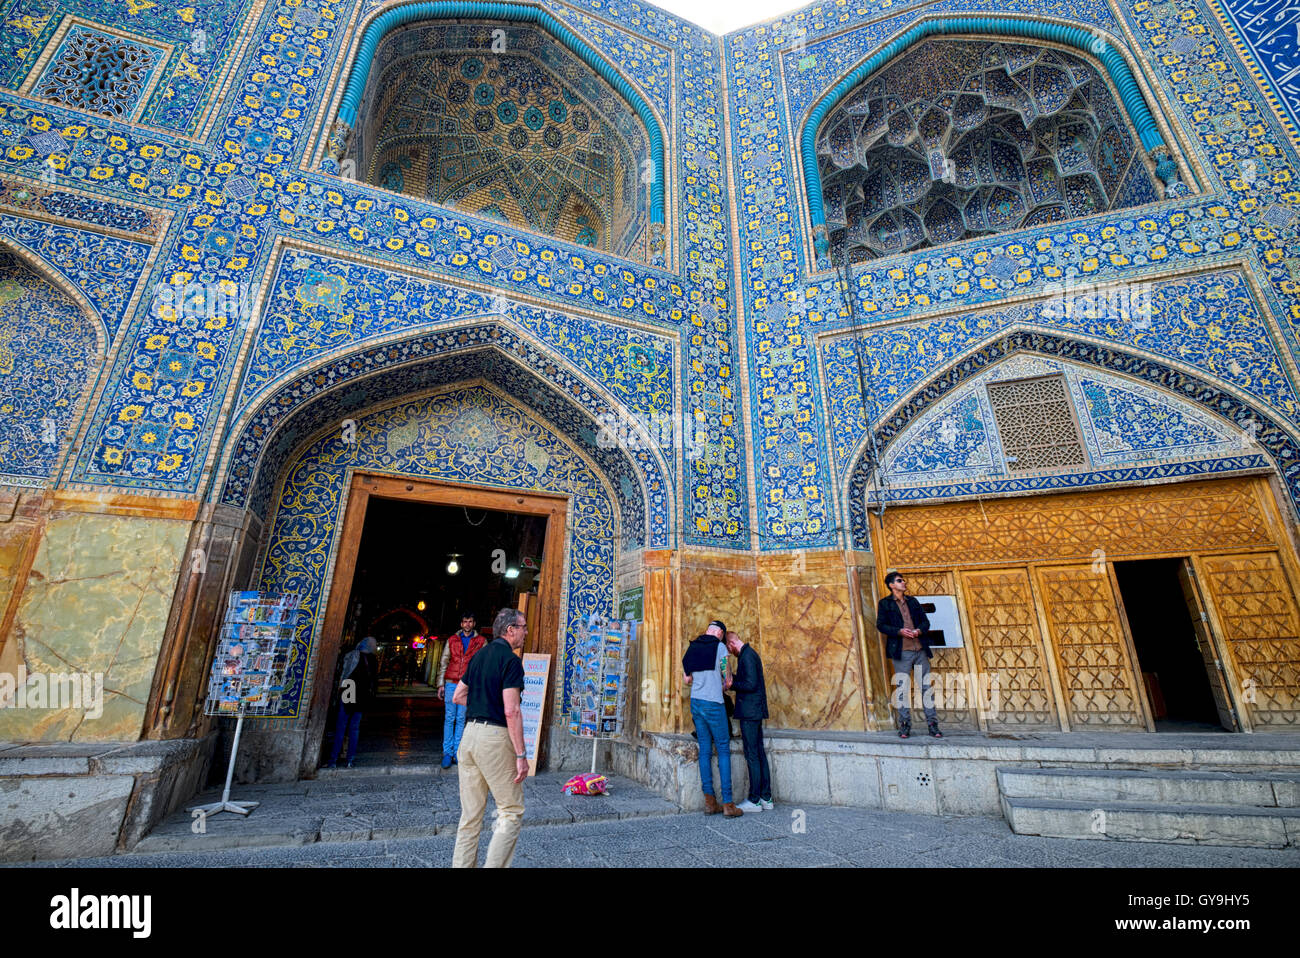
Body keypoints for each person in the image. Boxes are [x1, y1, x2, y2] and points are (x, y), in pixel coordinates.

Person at [451, 608, 529, 868]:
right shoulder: (510, 661)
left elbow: (458, 696)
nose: (525, 632)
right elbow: (512, 710)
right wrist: (521, 754)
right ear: (510, 630)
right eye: (523, 627)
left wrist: (481, 703)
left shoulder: (478, 656)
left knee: (470, 817)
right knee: (511, 811)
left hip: (469, 736)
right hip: (494, 738)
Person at [683, 619, 742, 817]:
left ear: (708, 630)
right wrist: (726, 681)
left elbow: (687, 679)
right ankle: (728, 804)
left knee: (705, 751)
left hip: (696, 703)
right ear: (720, 634)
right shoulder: (719, 647)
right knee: (723, 750)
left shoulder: (693, 647)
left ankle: (709, 802)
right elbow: (727, 678)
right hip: (714, 703)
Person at [876, 570, 942, 739]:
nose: (903, 583)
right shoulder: (885, 604)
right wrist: (899, 631)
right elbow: (881, 625)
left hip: (919, 649)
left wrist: (919, 630)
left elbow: (925, 621)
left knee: (926, 688)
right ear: (891, 585)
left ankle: (933, 725)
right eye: (900, 581)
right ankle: (905, 725)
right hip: (901, 652)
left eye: (903, 581)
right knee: (902, 689)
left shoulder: (913, 601)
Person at [725, 630, 772, 812]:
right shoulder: (749, 655)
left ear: (731, 644)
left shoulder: (747, 656)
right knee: (759, 753)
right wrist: (734, 679)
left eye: (729, 650)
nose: (730, 653)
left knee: (752, 754)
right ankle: (766, 797)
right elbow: (748, 680)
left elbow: (751, 684)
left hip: (750, 713)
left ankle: (754, 800)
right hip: (754, 712)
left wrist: (732, 685)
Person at [437, 613, 487, 768]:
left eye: (470, 622)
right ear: (461, 624)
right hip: (451, 682)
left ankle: (457, 751)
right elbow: (444, 661)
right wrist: (440, 684)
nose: (467, 624)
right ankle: (447, 753)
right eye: (465, 622)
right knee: (449, 718)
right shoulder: (452, 640)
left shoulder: (481, 642)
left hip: (468, 684)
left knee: (461, 719)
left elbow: (484, 663)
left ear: (474, 623)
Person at [325, 635, 378, 768]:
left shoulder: (352, 655)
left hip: (349, 691)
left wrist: (338, 690)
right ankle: (350, 760)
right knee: (354, 728)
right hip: (362, 696)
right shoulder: (373, 660)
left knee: (341, 727)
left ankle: (333, 760)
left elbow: (344, 673)